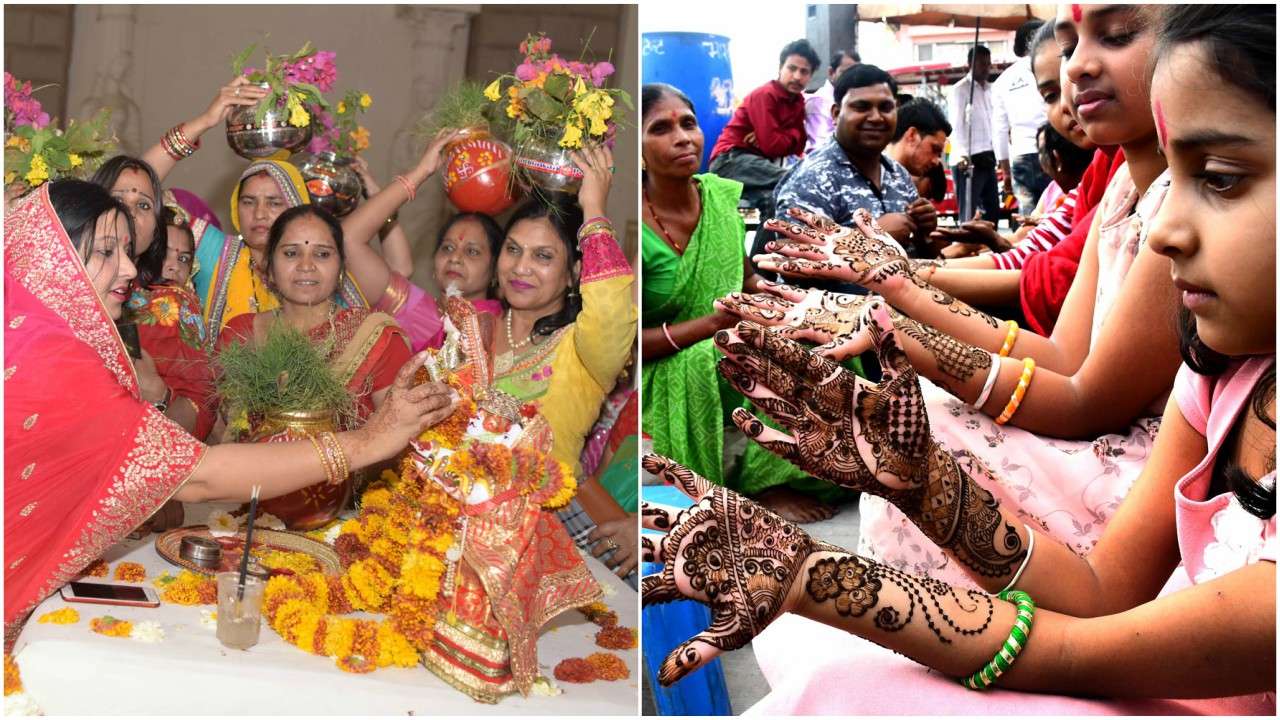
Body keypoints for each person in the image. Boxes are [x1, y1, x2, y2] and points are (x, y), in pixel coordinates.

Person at [642, 8, 1274, 712]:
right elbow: (1100, 591)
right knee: (827, 666)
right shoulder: (1214, 369)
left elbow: (1080, 642)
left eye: (1220, 178)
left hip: (1124, 633)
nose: (1165, 232)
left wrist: (822, 576)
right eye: (1068, 50)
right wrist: (915, 486)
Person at [745, 3, 1181, 588]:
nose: (1078, 68)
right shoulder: (1123, 187)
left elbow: (1084, 396)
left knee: (923, 434)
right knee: (917, 418)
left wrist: (897, 320)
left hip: (1150, 470)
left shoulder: (1178, 207)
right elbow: (1063, 355)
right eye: (1069, 47)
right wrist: (896, 288)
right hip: (1099, 426)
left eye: (1118, 35)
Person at [4, 180, 456, 645]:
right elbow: (200, 475)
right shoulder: (57, 357)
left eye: (125, 249)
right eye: (105, 251)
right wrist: (365, 441)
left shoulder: (28, 336)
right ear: (49, 258)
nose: (130, 267)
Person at [640, 83, 835, 523]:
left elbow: (746, 278)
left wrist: (783, 300)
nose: (682, 138)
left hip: (725, 333)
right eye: (661, 129)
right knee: (740, 350)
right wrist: (711, 325)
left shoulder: (719, 199)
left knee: (817, 334)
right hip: (663, 364)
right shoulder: (632, 227)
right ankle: (767, 485)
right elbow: (625, 343)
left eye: (688, 124)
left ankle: (820, 464)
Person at [490, 146, 639, 579]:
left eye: (543, 256)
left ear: (574, 272)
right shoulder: (472, 329)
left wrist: (594, 210)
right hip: (462, 515)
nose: (521, 268)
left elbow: (611, 315)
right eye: (513, 250)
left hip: (554, 528)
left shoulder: (581, 349)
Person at [217, 204, 412, 428]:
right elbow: (220, 429)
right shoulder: (240, 334)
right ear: (269, 267)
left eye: (322, 254)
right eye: (291, 253)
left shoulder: (376, 338)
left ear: (341, 268)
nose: (306, 266)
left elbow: (399, 431)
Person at [769, 63, 937, 287]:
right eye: (861, 107)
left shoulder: (898, 175)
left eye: (886, 107)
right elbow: (794, 266)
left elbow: (917, 257)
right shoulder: (812, 178)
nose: (876, 117)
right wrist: (869, 238)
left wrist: (925, 232)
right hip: (831, 308)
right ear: (836, 114)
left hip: (904, 301)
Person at [339, 130, 504, 353]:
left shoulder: (506, 328)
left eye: (472, 251)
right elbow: (348, 239)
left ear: (496, 271)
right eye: (447, 248)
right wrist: (421, 172)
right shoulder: (419, 313)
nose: (455, 258)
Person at [89, 156, 213, 441]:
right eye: (117, 199)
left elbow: (203, 408)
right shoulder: (58, 289)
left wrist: (159, 396)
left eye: (143, 205)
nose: (129, 212)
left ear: (157, 228)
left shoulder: (174, 305)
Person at [191, 158, 366, 336]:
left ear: (296, 207)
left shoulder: (323, 276)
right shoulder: (217, 252)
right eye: (248, 202)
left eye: (274, 203)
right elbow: (170, 213)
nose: (259, 214)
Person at [708, 39, 817, 216]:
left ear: (810, 76)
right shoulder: (765, 95)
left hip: (758, 167)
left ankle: (768, 237)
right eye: (792, 68)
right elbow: (772, 146)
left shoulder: (797, 102)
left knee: (776, 199)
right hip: (731, 160)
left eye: (804, 72)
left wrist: (780, 135)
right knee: (795, 178)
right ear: (780, 68)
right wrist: (786, 136)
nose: (797, 76)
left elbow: (798, 147)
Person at [992, 20, 1052, 216]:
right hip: (1051, 150)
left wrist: (1005, 170)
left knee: (1028, 215)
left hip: (1020, 155)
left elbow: (999, 130)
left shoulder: (1002, 81)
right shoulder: (1051, 68)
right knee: (1055, 209)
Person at [948, 45, 1000, 222]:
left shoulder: (991, 89)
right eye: (981, 64)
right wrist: (962, 155)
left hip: (988, 156)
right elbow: (956, 125)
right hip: (968, 159)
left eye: (988, 64)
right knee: (968, 212)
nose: (986, 68)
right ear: (970, 64)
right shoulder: (960, 90)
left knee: (992, 210)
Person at [804, 49, 858, 154]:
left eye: (855, 74)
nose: (851, 78)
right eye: (845, 72)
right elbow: (820, 148)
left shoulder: (848, 99)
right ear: (831, 72)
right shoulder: (819, 101)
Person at [886, 98, 950, 183]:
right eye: (934, 149)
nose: (936, 162)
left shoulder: (903, 183)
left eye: (938, 155)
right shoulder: (874, 178)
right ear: (912, 136)